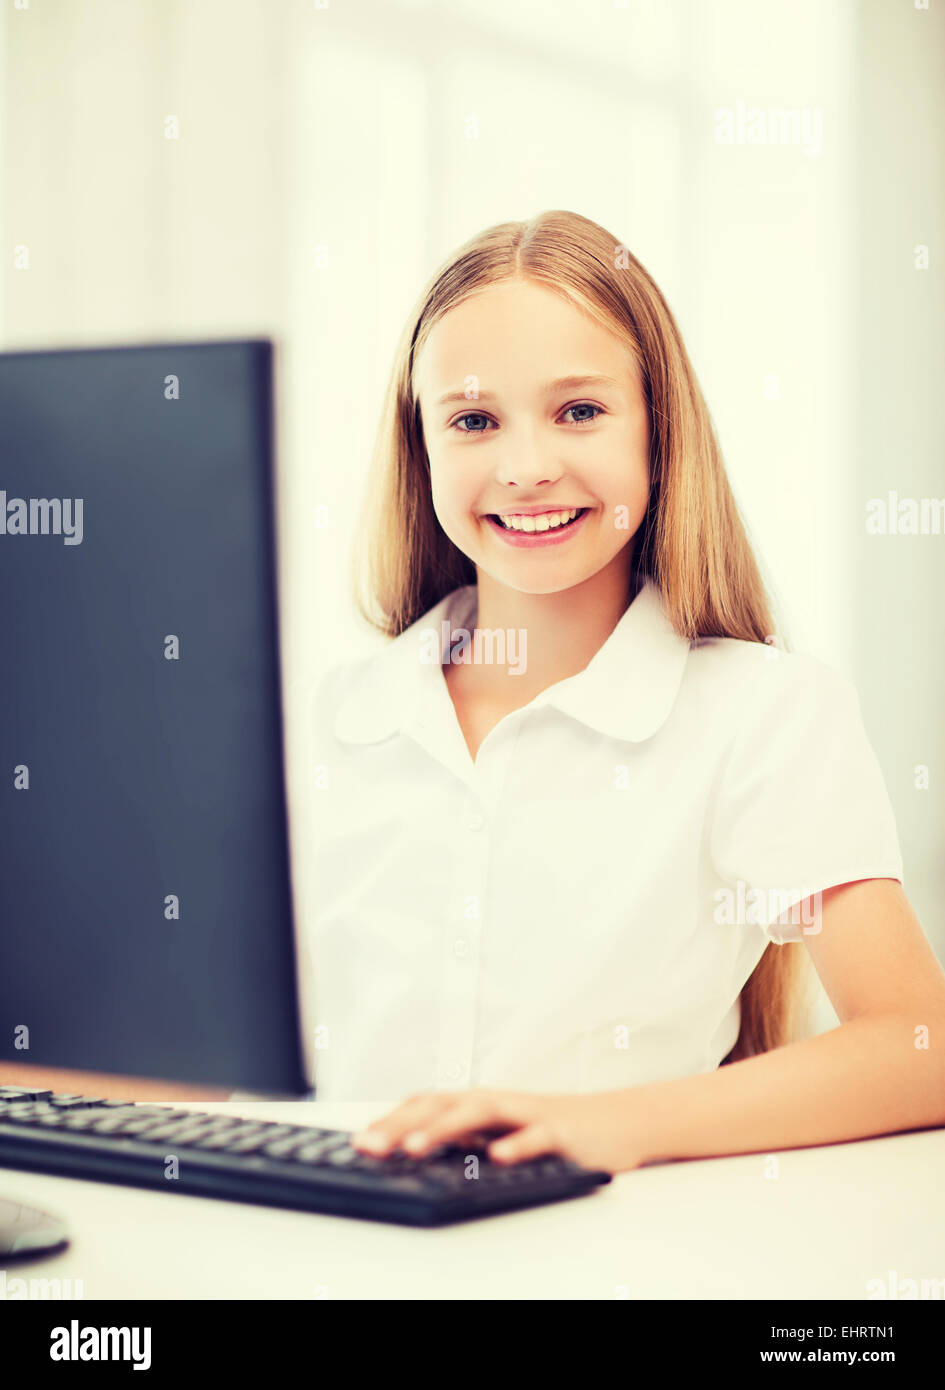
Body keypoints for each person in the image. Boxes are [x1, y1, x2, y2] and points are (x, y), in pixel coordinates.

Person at [289, 208, 945, 1173]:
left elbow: (915, 1049)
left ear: (658, 428)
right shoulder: (320, 724)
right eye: (472, 420)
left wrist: (603, 1128)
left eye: (579, 411)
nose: (525, 468)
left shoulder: (764, 714)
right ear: (420, 449)